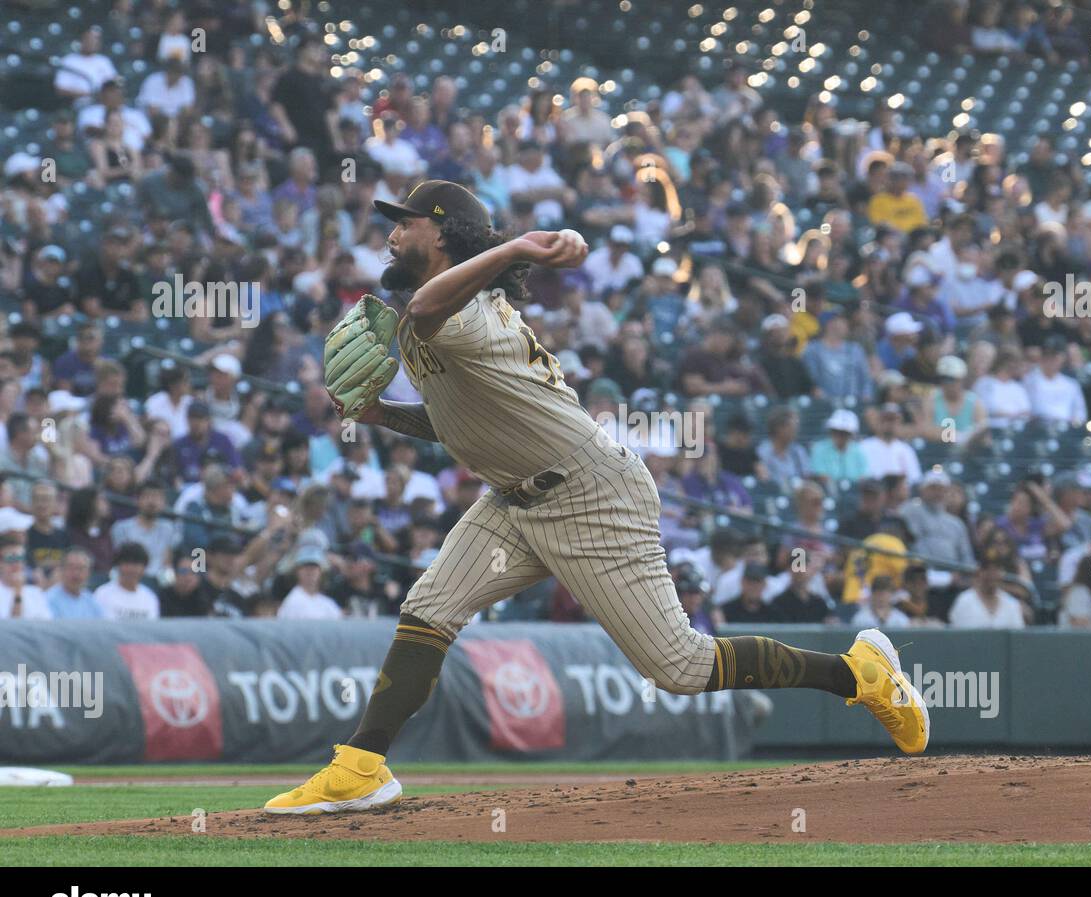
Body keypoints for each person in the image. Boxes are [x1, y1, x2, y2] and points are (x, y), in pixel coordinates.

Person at [266, 180, 928, 813]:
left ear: (441, 234)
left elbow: (429, 308)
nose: (391, 233)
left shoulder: (456, 314)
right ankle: (359, 769)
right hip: (514, 499)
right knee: (429, 607)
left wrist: (519, 247)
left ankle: (859, 672)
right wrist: (385, 416)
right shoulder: (440, 315)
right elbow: (459, 423)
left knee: (679, 664)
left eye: (404, 221)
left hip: (591, 494)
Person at [948, 550, 1025, 628]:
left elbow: (1018, 637)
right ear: (979, 571)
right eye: (987, 569)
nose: (992, 574)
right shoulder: (964, 601)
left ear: (1002, 573)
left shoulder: (1012, 604)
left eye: (996, 569)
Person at [93, 543, 161, 620]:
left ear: (144, 568)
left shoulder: (150, 597)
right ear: (118, 566)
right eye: (127, 563)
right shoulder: (102, 594)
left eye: (136, 564)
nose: (131, 569)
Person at [0, 532, 53, 620]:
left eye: (20, 558)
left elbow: (46, 628)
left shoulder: (35, 592)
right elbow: (10, 628)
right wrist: (18, 592)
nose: (16, 564)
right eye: (11, 558)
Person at [44, 547, 104, 619]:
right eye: (71, 567)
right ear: (62, 570)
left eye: (81, 568)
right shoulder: (48, 599)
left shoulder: (92, 601)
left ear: (89, 573)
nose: (76, 573)